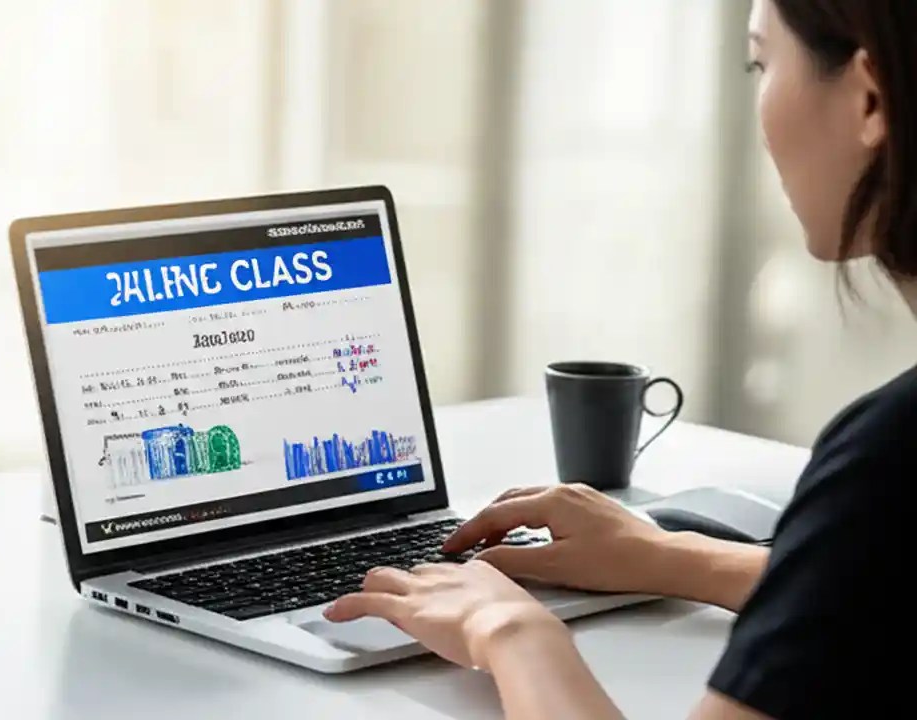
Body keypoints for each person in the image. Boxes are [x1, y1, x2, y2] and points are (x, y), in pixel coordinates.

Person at [323, 0, 915, 718]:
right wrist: (674, 557)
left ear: (870, 97)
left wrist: (508, 631)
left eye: (761, 61)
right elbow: (878, 589)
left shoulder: (887, 462)